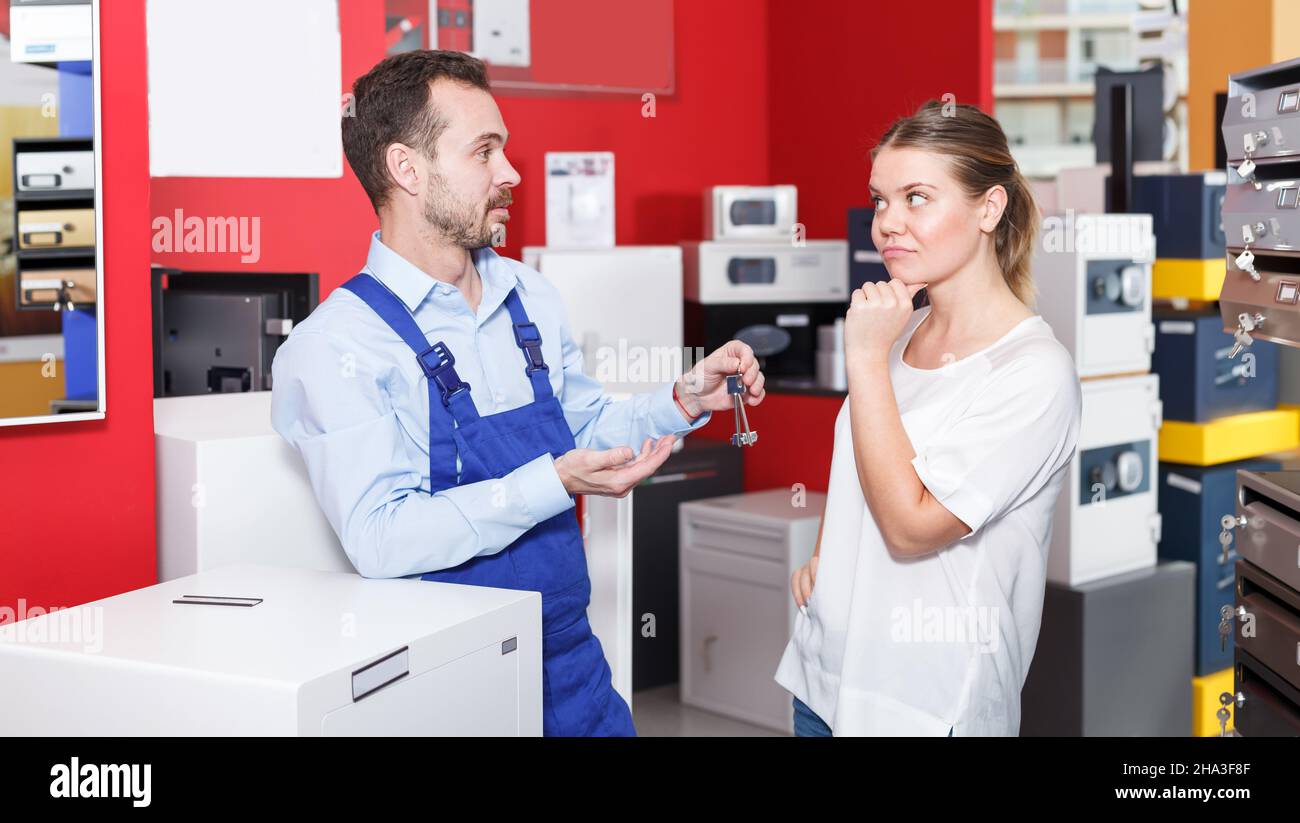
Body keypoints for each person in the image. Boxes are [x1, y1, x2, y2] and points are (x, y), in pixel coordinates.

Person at [271, 50, 766, 737]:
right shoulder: (335, 347)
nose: (512, 174)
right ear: (406, 169)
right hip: (451, 689)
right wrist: (550, 481)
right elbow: (381, 537)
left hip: (574, 667)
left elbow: (585, 426)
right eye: (484, 151)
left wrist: (682, 398)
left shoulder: (527, 295)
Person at [775, 100, 1082, 737]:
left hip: (924, 707)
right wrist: (827, 552)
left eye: (917, 197)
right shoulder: (900, 329)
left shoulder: (1033, 373)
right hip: (824, 681)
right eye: (880, 200)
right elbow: (862, 455)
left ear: (988, 209)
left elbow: (912, 526)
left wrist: (862, 356)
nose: (888, 222)